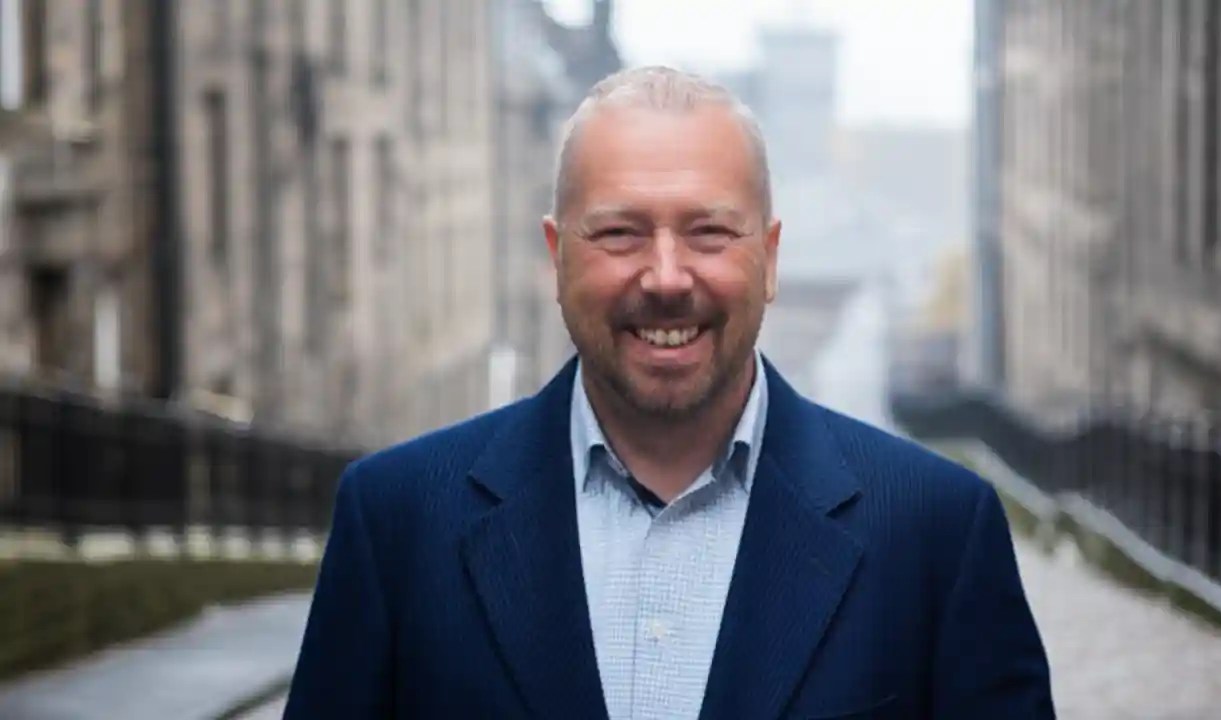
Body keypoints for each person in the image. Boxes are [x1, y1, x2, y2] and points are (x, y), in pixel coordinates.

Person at [283, 66, 1054, 719]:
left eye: (709, 232)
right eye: (619, 232)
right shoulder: (397, 523)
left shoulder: (936, 532)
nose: (665, 277)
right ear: (557, 258)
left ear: (770, 257)